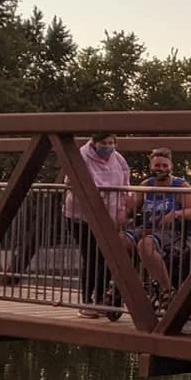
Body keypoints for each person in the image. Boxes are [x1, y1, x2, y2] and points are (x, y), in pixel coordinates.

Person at [124, 148, 191, 312]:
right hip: (148, 227)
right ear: (151, 167)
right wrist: (124, 212)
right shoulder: (146, 186)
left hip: (175, 232)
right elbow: (130, 211)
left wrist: (176, 213)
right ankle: (124, 284)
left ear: (171, 166)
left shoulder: (180, 186)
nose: (161, 169)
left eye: (164, 165)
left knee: (145, 245)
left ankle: (167, 290)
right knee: (120, 241)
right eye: (157, 165)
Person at [62, 133, 130, 319]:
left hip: (109, 217)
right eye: (104, 143)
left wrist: (123, 208)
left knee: (106, 257)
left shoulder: (118, 159)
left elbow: (125, 185)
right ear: (94, 142)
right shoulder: (81, 156)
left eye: (111, 143)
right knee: (91, 256)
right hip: (81, 216)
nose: (108, 146)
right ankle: (86, 302)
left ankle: (100, 299)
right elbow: (70, 181)